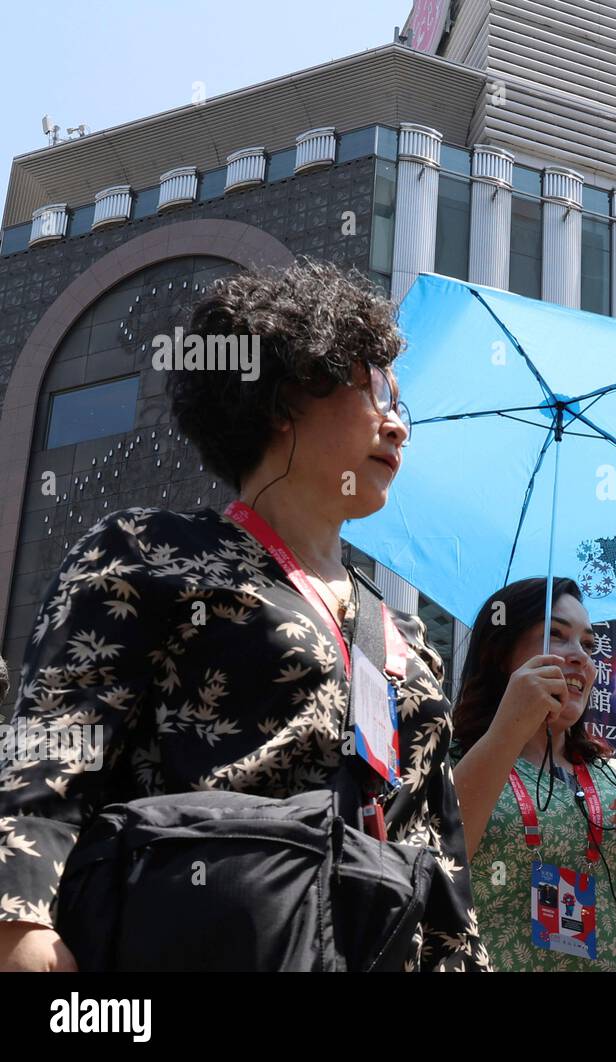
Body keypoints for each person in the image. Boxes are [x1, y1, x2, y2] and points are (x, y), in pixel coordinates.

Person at [0, 259, 489, 972]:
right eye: (375, 390)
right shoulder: (148, 551)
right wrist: (18, 928)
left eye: (400, 403)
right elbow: (49, 748)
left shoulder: (405, 642)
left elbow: (439, 861)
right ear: (286, 396)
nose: (397, 425)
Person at [451, 577, 616, 970]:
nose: (580, 656)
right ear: (501, 654)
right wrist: (510, 727)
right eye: (556, 635)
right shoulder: (451, 758)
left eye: (588, 645)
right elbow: (434, 856)